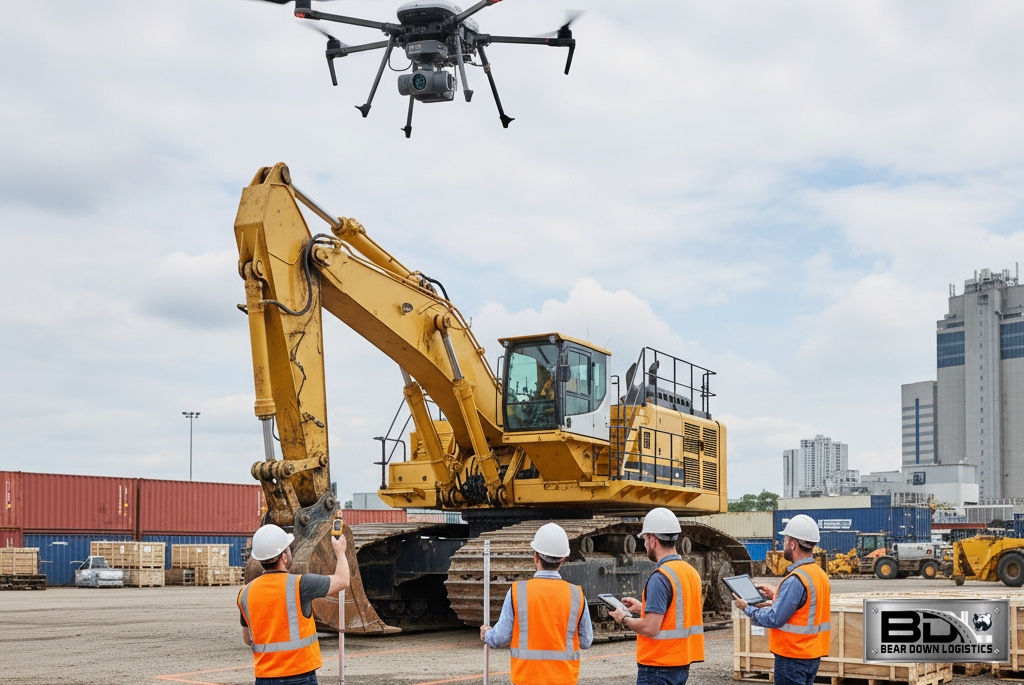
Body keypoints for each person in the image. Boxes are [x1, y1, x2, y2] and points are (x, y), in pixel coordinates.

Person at [480, 523, 593, 685]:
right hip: (564, 680)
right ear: (563, 560)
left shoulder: (517, 591)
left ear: (536, 557)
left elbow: (500, 637)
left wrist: (487, 634)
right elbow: (586, 640)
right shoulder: (576, 595)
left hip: (526, 679)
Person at [238, 524, 350, 685]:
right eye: (288, 549)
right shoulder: (301, 584)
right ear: (284, 557)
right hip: (299, 676)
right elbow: (343, 580)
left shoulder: (245, 593)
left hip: (264, 677)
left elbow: (248, 639)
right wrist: (340, 552)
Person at [609, 507, 704, 685]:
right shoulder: (691, 572)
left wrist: (624, 618)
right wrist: (643, 608)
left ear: (653, 541)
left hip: (658, 666)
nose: (644, 545)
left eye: (645, 539)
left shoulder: (661, 577)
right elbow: (678, 611)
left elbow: (650, 628)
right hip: (680, 664)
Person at [733, 514, 830, 685]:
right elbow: (805, 606)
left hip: (792, 657)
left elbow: (774, 618)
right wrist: (777, 595)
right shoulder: (819, 574)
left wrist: (746, 607)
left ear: (793, 544)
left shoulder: (796, 579)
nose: (782, 544)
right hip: (811, 655)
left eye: (785, 540)